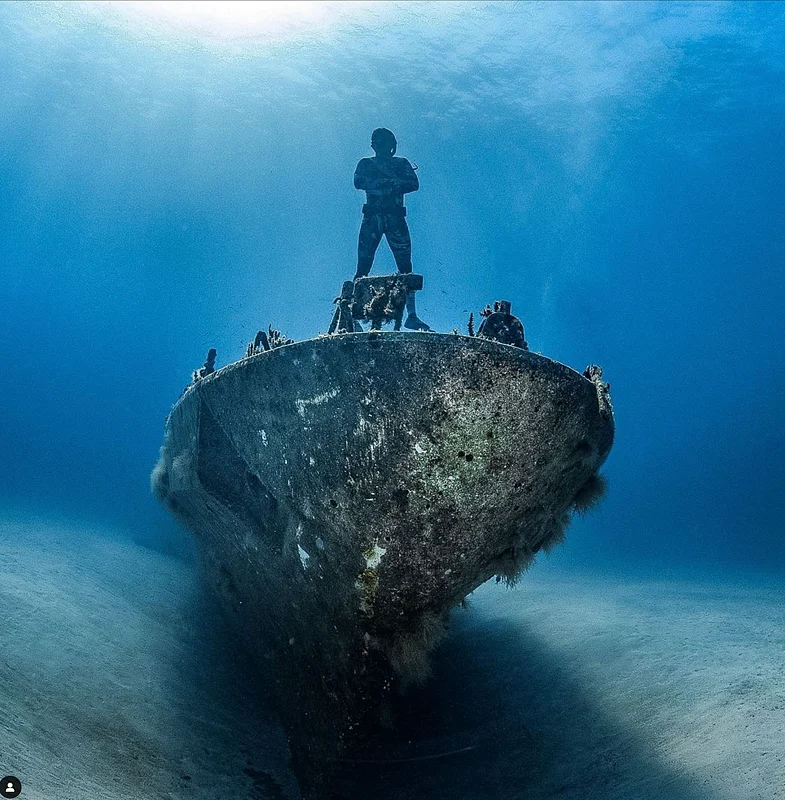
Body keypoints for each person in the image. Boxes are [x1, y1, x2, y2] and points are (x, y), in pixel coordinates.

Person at [354, 128, 430, 331]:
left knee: (405, 266)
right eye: (377, 142)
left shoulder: (401, 164)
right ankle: (354, 314)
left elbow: (413, 184)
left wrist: (385, 183)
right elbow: (358, 182)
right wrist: (389, 183)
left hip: (394, 217)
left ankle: (411, 315)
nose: (379, 146)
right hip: (373, 217)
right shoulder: (366, 164)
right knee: (363, 265)